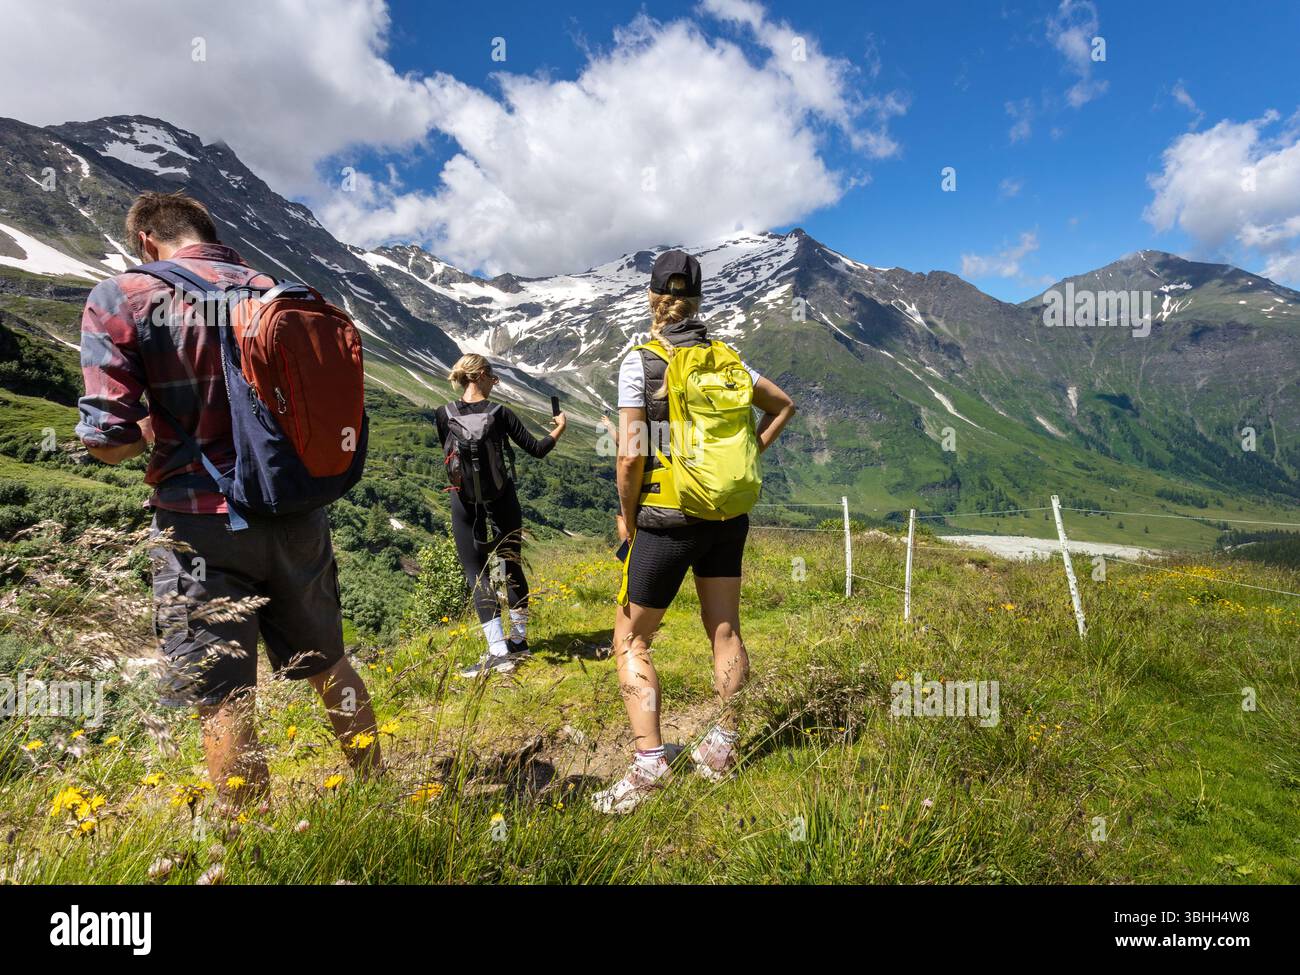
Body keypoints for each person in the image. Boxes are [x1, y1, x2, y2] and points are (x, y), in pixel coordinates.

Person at [75, 191, 381, 803]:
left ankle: (254, 844)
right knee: (330, 666)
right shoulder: (274, 291)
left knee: (223, 696)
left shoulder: (125, 297)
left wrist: (152, 431)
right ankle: (378, 791)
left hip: (197, 525)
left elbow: (108, 440)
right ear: (209, 232)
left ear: (146, 241)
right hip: (295, 510)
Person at [592, 250, 797, 814]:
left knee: (630, 641)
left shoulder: (642, 360)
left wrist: (628, 518)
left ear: (652, 298)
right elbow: (784, 406)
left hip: (667, 518)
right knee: (725, 630)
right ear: (697, 299)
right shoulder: (729, 358)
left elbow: (631, 455)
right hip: (728, 515)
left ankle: (649, 765)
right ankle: (723, 748)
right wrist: (749, 456)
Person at [436, 354, 567, 677]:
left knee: (476, 573)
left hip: (463, 503)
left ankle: (497, 652)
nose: (495, 382)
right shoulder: (500, 414)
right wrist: (559, 428)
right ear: (480, 375)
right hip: (503, 500)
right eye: (493, 377)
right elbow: (537, 450)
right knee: (511, 565)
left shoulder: (444, 414)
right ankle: (519, 642)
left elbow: (448, 456)